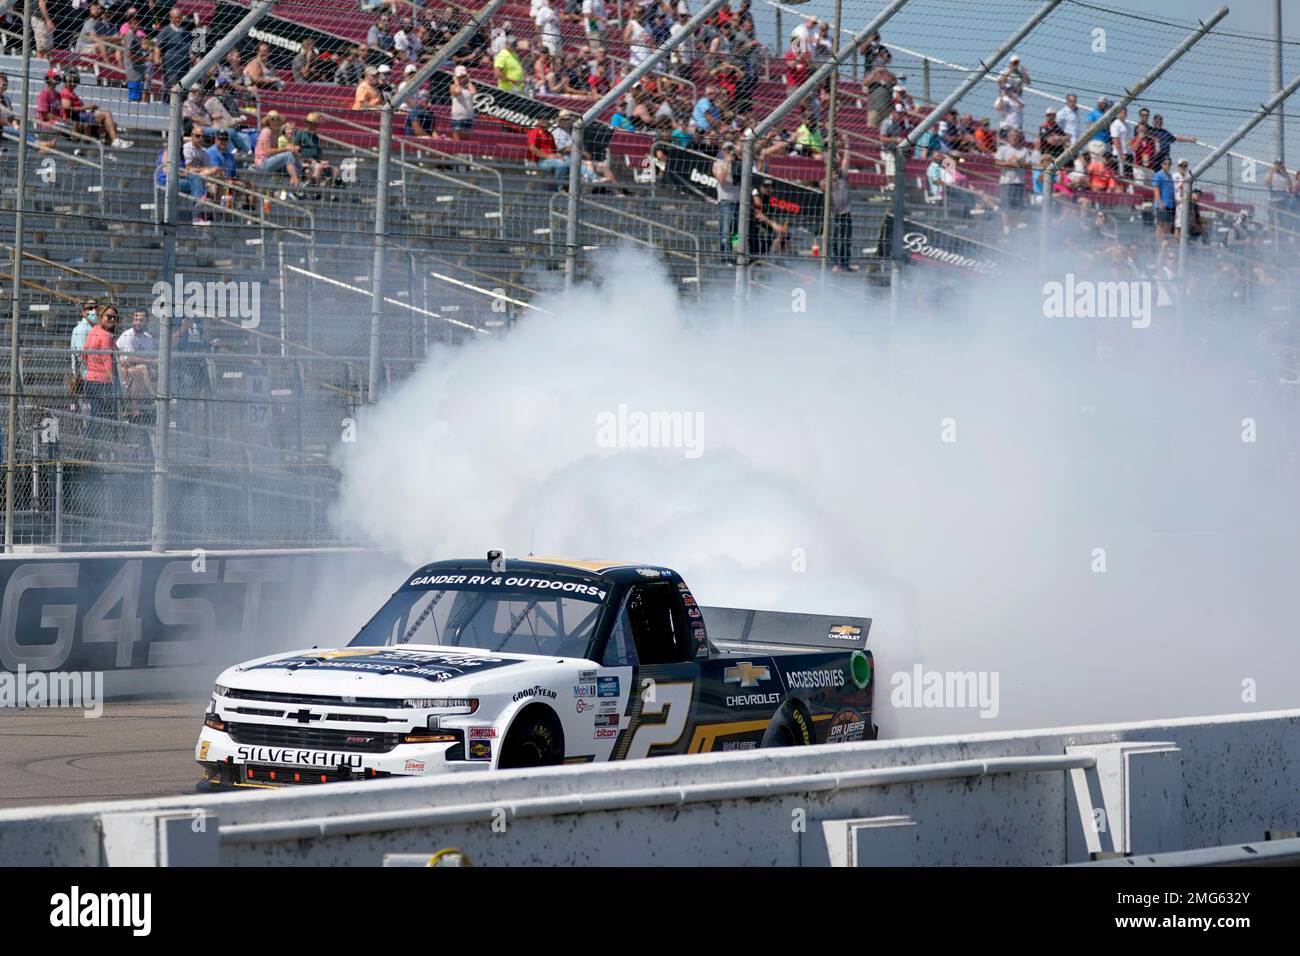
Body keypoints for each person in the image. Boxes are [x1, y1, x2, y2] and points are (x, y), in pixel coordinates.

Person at [61, 70, 132, 148]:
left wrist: (89, 109)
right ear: (65, 81)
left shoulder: (71, 93)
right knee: (107, 114)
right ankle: (115, 140)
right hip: (78, 118)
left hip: (82, 115)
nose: (72, 83)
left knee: (113, 124)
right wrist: (88, 107)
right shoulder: (65, 92)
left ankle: (108, 146)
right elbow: (69, 109)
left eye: (74, 81)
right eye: (70, 81)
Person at [115, 308, 156, 422]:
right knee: (140, 369)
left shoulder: (148, 338)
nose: (137, 323)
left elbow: (148, 356)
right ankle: (153, 396)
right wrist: (150, 361)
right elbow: (130, 358)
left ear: (146, 321)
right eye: (135, 319)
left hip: (140, 369)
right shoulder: (127, 335)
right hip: (125, 368)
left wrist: (147, 361)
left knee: (142, 369)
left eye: (141, 320)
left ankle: (136, 407)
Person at [82, 306, 120, 428]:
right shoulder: (105, 336)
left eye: (115, 317)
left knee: (95, 415)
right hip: (103, 382)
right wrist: (113, 381)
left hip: (90, 380)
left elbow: (84, 355)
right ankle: (103, 442)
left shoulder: (94, 330)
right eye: (109, 317)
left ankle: (92, 441)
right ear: (101, 317)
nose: (112, 320)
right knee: (107, 418)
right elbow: (107, 360)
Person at [254, 111, 303, 191]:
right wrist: (286, 148)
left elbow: (278, 151)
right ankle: (296, 183)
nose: (275, 121)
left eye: (277, 119)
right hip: (262, 163)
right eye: (272, 119)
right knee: (288, 155)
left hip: (270, 161)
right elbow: (268, 152)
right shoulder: (266, 131)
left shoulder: (275, 133)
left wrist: (293, 148)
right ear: (268, 121)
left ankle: (293, 187)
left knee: (297, 163)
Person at [154, 8, 192, 92]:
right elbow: (157, 45)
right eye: (175, 17)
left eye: (179, 17)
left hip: (184, 67)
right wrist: (157, 59)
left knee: (182, 91)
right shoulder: (166, 30)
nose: (178, 19)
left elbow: (189, 46)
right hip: (171, 68)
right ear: (170, 18)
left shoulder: (185, 31)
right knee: (171, 90)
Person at [748, 179, 788, 257]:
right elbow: (758, 214)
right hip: (753, 227)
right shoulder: (755, 194)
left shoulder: (768, 198)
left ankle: (777, 258)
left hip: (764, 227)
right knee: (767, 234)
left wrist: (779, 227)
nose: (769, 189)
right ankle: (759, 257)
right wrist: (774, 225)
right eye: (766, 186)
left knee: (786, 236)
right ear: (761, 187)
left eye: (771, 187)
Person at [829, 148, 855, 272]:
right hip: (833, 215)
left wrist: (846, 145)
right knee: (833, 240)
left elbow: (846, 160)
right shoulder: (826, 182)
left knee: (846, 240)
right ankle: (835, 263)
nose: (835, 172)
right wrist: (831, 181)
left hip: (846, 214)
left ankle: (845, 264)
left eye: (836, 170)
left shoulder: (843, 176)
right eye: (832, 171)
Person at [713, 141, 740, 254]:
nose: (729, 151)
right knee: (725, 231)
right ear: (723, 151)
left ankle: (735, 254)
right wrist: (727, 163)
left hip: (739, 202)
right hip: (726, 202)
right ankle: (725, 258)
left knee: (737, 233)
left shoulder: (739, 164)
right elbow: (722, 180)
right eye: (727, 149)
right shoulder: (718, 163)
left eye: (731, 149)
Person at [449, 66, 477, 140]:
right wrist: (456, 81)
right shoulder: (452, 86)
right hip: (457, 117)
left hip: (468, 117)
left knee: (466, 140)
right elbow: (457, 92)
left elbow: (473, 92)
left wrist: (469, 81)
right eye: (460, 76)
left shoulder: (468, 87)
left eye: (464, 76)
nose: (462, 78)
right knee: (458, 141)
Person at [1152, 156, 1175, 238]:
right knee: (1161, 225)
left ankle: (1164, 245)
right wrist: (1160, 202)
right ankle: (1158, 247)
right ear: (1162, 164)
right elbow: (1156, 189)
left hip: (1170, 205)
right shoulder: (1158, 175)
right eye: (1165, 163)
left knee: (1168, 226)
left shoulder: (1170, 176)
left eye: (1169, 164)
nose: (1168, 165)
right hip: (1162, 204)